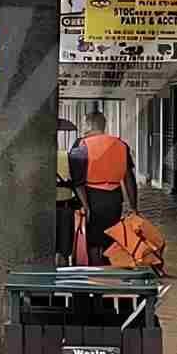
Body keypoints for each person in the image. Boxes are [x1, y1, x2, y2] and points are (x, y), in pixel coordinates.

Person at [67, 111, 139, 264]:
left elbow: (77, 182)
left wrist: (86, 206)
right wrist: (133, 207)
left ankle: (95, 276)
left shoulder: (81, 145)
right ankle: (109, 274)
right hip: (114, 199)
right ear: (104, 124)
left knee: (92, 241)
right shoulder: (121, 144)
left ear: (88, 124)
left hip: (91, 197)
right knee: (111, 238)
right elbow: (129, 179)